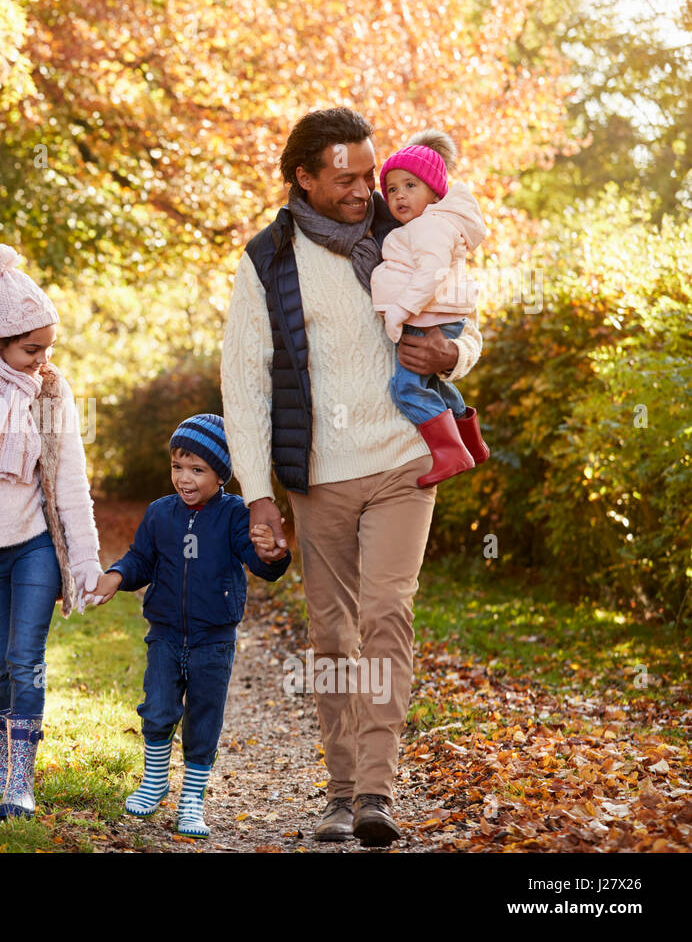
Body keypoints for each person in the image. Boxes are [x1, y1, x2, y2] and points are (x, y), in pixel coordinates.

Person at [221, 107, 484, 846]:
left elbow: (467, 312)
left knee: (386, 616)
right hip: (321, 476)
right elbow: (244, 382)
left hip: (406, 460)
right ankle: (340, 792)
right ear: (303, 177)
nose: (367, 189)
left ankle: (375, 791)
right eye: (347, 178)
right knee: (334, 635)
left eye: (371, 173)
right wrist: (260, 496)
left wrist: (454, 358)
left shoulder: (403, 229)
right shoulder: (267, 261)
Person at [0, 244, 103, 820]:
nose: (42, 360)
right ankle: (2, 758)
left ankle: (22, 778)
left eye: (48, 348)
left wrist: (84, 562)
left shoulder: (51, 390)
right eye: (32, 349)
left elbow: (71, 481)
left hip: (35, 545)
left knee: (25, 655)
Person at [89, 414, 289, 838]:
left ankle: (192, 799)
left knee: (203, 718)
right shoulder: (160, 513)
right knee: (158, 708)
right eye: (178, 467)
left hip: (214, 639)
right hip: (164, 632)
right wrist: (117, 576)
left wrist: (271, 555)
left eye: (197, 469)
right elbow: (141, 558)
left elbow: (259, 562)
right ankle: (155, 780)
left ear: (221, 475)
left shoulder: (235, 515)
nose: (184, 478)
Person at [371, 129, 491, 486]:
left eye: (411, 185)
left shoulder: (429, 226)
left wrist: (399, 311)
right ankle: (470, 442)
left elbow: (430, 275)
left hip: (428, 319)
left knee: (405, 389)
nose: (399, 195)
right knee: (432, 389)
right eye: (392, 189)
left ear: (436, 192)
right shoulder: (422, 226)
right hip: (431, 316)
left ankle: (450, 452)